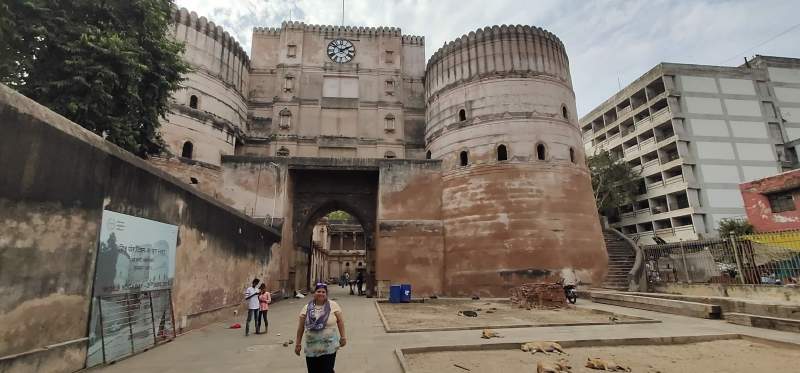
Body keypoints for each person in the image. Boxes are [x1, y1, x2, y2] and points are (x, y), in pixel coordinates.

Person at [295, 283, 346, 373]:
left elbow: (340, 322)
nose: (321, 294)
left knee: (327, 370)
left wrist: (343, 337)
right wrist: (298, 344)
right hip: (311, 348)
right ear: (314, 293)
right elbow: (301, 327)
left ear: (326, 294)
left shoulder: (333, 305)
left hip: (329, 347)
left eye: (323, 292)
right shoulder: (307, 308)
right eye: (318, 291)